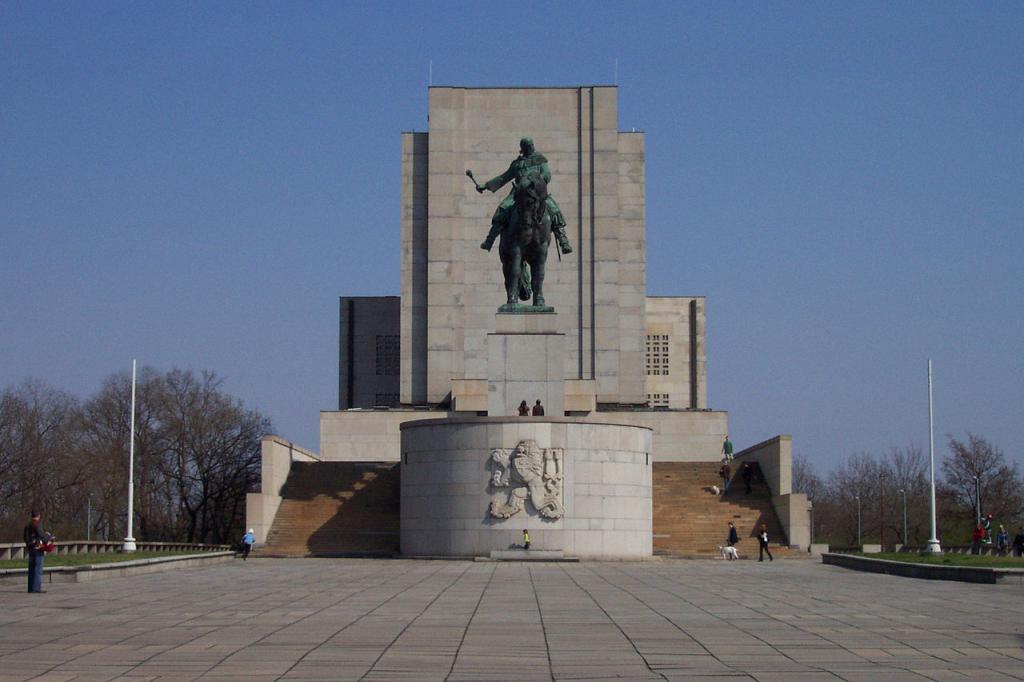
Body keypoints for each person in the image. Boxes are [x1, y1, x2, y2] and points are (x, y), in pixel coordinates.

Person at [476, 137, 573, 254]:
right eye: (528, 146)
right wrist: (486, 186)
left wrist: (534, 181)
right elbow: (503, 178)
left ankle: (563, 240)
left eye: (532, 145)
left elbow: (546, 174)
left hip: (537, 193)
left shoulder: (540, 160)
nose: (531, 147)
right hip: (518, 194)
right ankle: (490, 239)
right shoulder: (518, 164)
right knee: (503, 209)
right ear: (523, 148)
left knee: (554, 209)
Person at [23, 510, 47, 594]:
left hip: (30, 549)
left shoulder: (27, 525)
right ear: (38, 515)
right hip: (37, 548)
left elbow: (25, 538)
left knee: (31, 569)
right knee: (38, 569)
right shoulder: (37, 524)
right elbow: (41, 535)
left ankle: (30, 588)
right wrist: (48, 538)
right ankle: (36, 588)